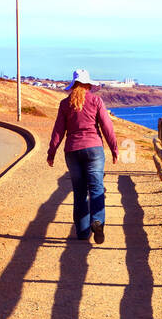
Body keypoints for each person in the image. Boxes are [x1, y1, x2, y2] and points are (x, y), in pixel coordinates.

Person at [47, 69, 118, 242]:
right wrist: (114, 149)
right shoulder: (96, 100)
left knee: (79, 193)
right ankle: (97, 221)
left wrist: (52, 152)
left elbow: (58, 131)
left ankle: (82, 233)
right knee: (96, 188)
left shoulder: (65, 104)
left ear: (74, 85)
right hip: (94, 149)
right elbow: (107, 126)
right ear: (88, 85)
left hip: (72, 151)